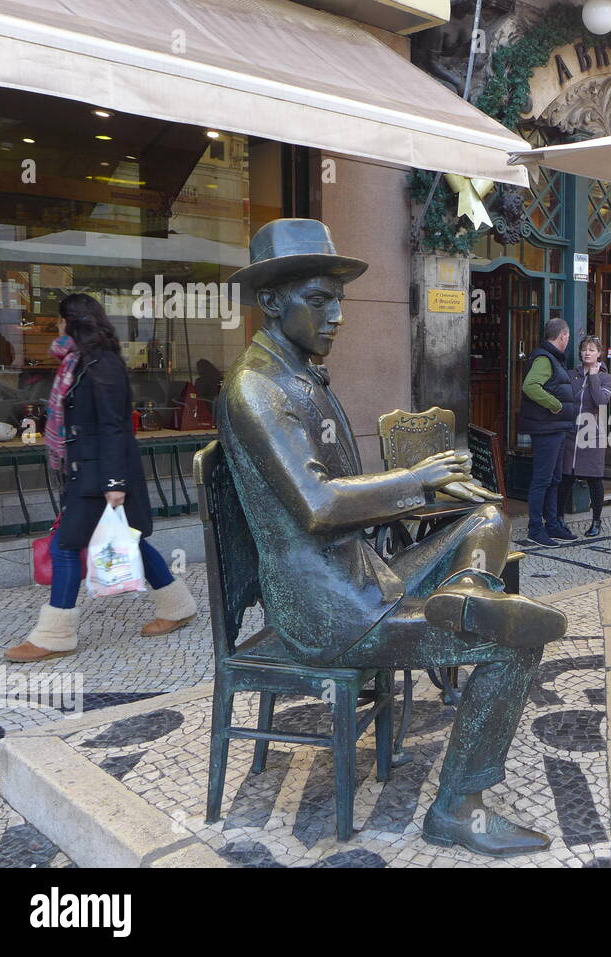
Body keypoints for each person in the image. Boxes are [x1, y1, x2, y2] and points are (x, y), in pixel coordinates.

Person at [217, 219, 567, 855]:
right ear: (272, 302)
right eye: (318, 301)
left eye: (339, 301)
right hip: (329, 612)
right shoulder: (257, 388)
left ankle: (468, 589)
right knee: (514, 643)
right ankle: (458, 809)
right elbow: (319, 506)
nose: (337, 317)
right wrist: (413, 481)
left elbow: (342, 492)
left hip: (364, 579)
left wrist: (433, 491)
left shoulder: (296, 374)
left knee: (486, 516)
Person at [5, 294, 199, 663]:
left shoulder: (101, 363)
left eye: (61, 321)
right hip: (85, 471)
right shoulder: (76, 362)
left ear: (74, 321)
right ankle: (177, 606)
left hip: (99, 476)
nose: (58, 327)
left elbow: (114, 427)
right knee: (132, 540)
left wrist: (114, 484)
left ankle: (55, 635)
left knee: (65, 547)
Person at [519, 317, 579, 547]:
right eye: (568, 337)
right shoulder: (545, 359)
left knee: (554, 478)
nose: (568, 340)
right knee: (542, 479)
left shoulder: (554, 358)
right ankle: (535, 529)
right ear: (562, 336)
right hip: (547, 428)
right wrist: (555, 405)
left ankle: (552, 524)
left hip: (557, 427)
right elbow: (530, 386)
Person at [558, 335, 611, 538]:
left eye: (591, 349)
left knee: (594, 479)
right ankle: (559, 518)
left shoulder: (605, 378)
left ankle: (596, 521)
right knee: (566, 477)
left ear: (599, 353)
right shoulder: (572, 374)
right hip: (571, 432)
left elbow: (600, 400)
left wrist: (593, 376)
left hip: (592, 434)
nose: (587, 352)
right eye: (584, 349)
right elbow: (565, 399)